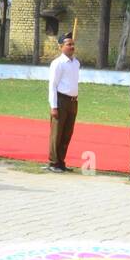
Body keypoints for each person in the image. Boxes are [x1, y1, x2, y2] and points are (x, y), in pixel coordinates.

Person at [47, 31, 79, 173]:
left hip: (72, 102)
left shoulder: (76, 63)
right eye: (68, 44)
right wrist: (54, 106)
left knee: (67, 133)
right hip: (61, 100)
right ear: (61, 46)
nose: (71, 47)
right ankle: (54, 162)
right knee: (57, 133)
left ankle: (61, 161)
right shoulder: (58, 63)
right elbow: (52, 85)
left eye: (73, 44)